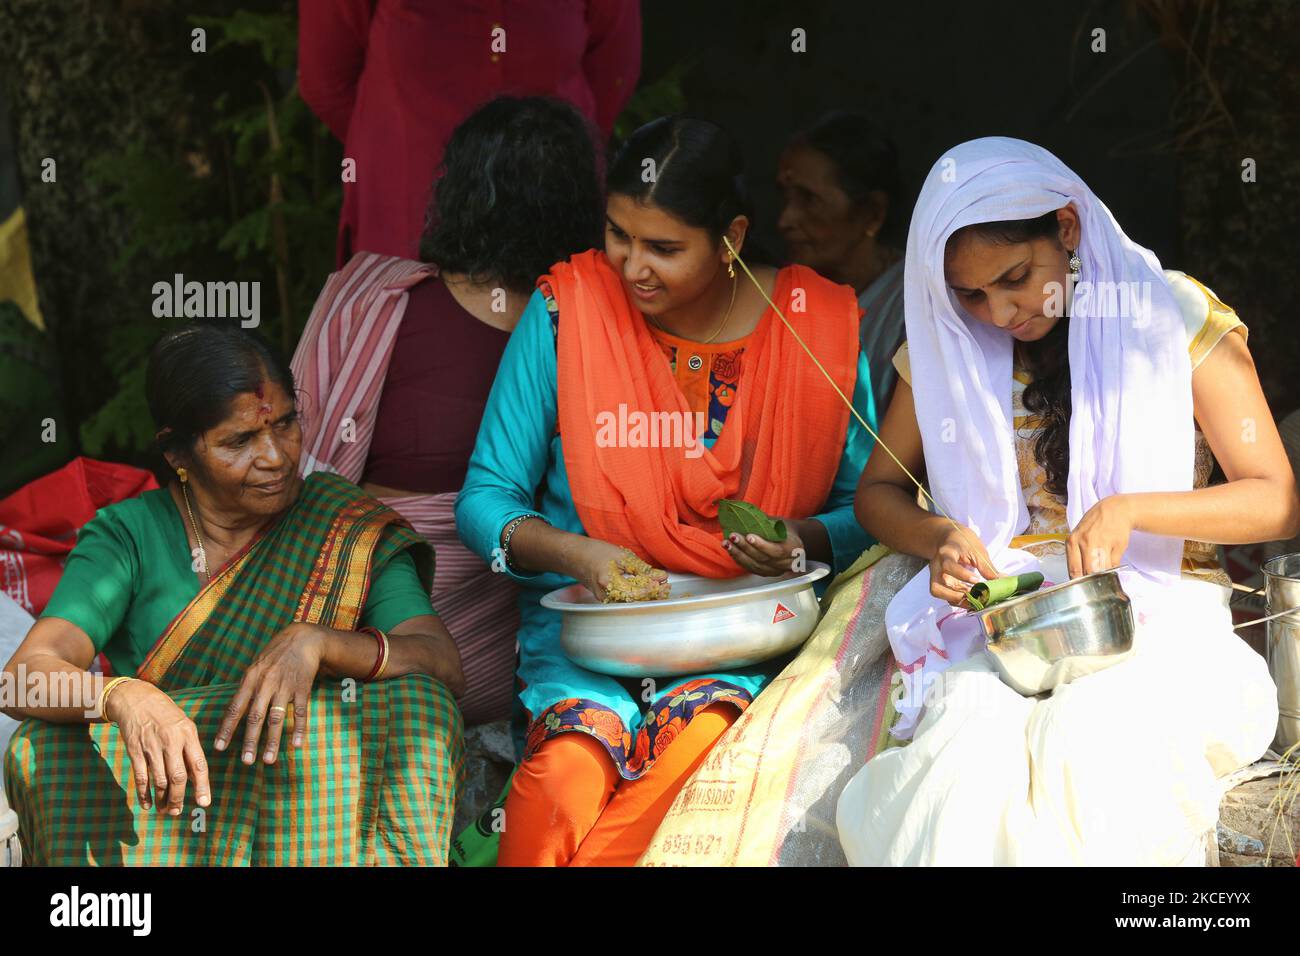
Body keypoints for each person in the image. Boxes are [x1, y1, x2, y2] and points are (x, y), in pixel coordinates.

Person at [835, 137, 1295, 865]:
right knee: (962, 763)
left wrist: (1133, 510)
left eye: (1016, 278)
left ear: (1069, 229)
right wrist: (938, 536)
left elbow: (1276, 500)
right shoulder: (949, 346)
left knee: (1085, 746)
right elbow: (879, 493)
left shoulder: (1168, 315)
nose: (1000, 311)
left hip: (1162, 616)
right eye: (971, 294)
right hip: (1008, 627)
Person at [455, 116, 878, 866]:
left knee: (696, 764)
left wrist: (799, 539)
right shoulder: (566, 313)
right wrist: (579, 554)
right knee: (562, 782)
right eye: (619, 235)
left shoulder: (813, 326)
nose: (632, 267)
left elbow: (869, 512)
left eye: (664, 248)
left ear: (732, 238)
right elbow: (485, 498)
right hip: (588, 641)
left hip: (742, 642)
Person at [2, 321, 465, 865]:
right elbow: (23, 680)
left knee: (421, 705)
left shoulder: (341, 528)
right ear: (176, 454)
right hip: (173, 803)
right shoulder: (130, 535)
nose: (276, 457)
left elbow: (440, 663)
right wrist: (123, 696)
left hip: (312, 820)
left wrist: (320, 644)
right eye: (238, 441)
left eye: (287, 423)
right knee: (41, 748)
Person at [293, 96, 605, 727]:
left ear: (460, 191)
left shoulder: (370, 299)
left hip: (354, 620)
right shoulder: (594, 332)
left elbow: (288, 458)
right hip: (440, 637)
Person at [298, 0, 640, 265]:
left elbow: (613, 70)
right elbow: (327, 83)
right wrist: (396, 154)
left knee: (558, 346)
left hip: (552, 206)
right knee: (423, 344)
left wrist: (558, 154)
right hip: (410, 212)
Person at [777, 111, 906, 413]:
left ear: (872, 212)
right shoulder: (781, 294)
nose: (785, 220)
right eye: (785, 197)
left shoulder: (912, 310)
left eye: (809, 200)